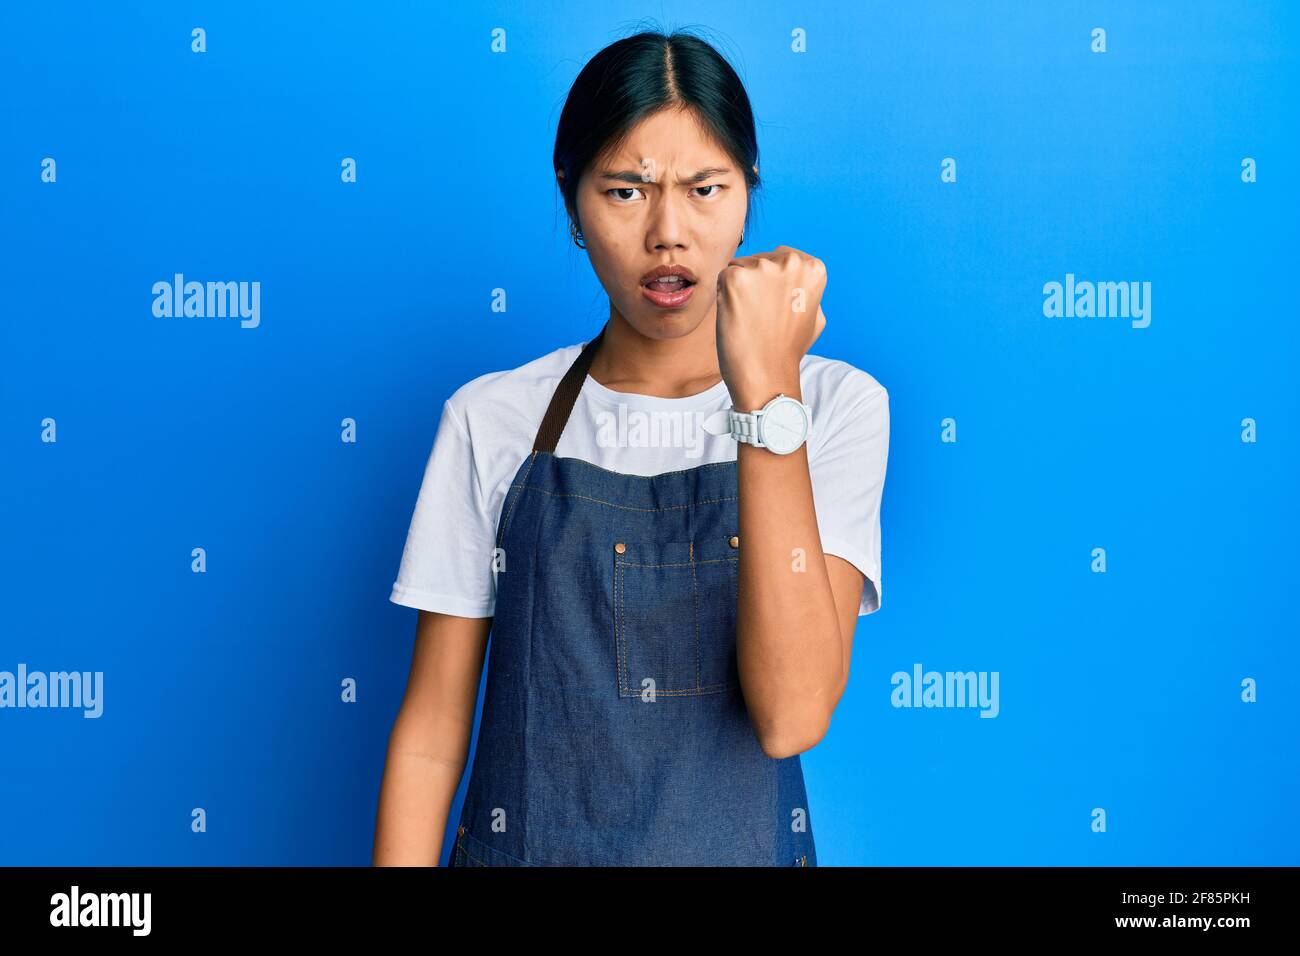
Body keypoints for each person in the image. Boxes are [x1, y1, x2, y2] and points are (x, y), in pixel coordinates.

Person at [373, 29, 889, 867]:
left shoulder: (834, 407)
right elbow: (432, 734)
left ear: (748, 195)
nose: (668, 233)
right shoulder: (491, 418)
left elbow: (792, 712)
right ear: (571, 200)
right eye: (625, 191)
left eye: (705, 189)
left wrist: (767, 394)